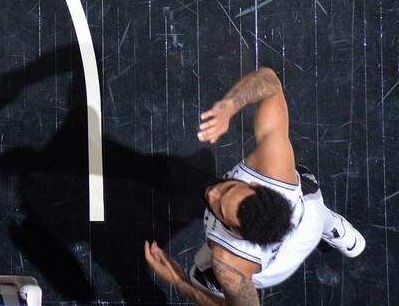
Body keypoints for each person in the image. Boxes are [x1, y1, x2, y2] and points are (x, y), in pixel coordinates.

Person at [143, 67, 365, 303]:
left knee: (202, 276)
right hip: (311, 214)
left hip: (275, 268)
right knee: (306, 185)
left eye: (219, 209)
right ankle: (331, 227)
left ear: (237, 232)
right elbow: (270, 83)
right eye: (228, 188)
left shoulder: (228, 262)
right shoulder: (275, 169)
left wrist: (179, 282)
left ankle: (329, 227)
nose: (213, 193)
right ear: (257, 187)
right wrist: (228, 106)